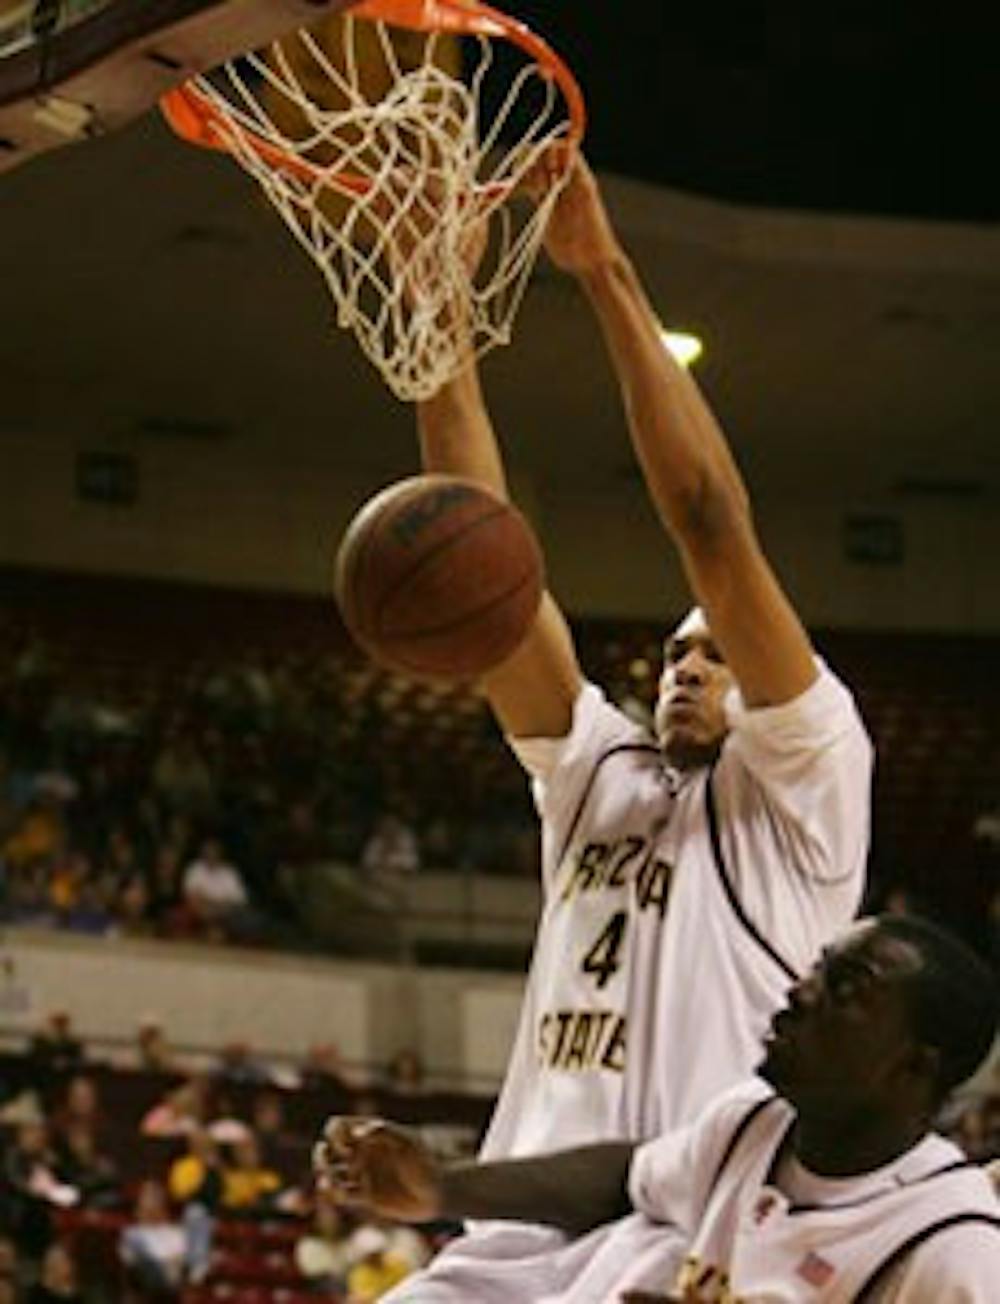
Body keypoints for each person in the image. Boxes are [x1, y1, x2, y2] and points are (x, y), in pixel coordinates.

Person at [379, 153, 873, 1299]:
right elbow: (474, 549)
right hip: (512, 1244)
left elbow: (707, 520)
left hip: (683, 1241)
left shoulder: (806, 786)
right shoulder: (595, 767)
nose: (691, 664)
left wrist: (601, 269)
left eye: (719, 652)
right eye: (674, 651)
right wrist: (429, 304)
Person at [315, 915, 1000, 1301]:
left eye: (847, 988)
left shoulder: (952, 1249)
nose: (802, 992)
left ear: (916, 1065)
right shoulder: (752, 1124)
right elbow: (627, 1177)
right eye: (818, 968)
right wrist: (443, 1185)